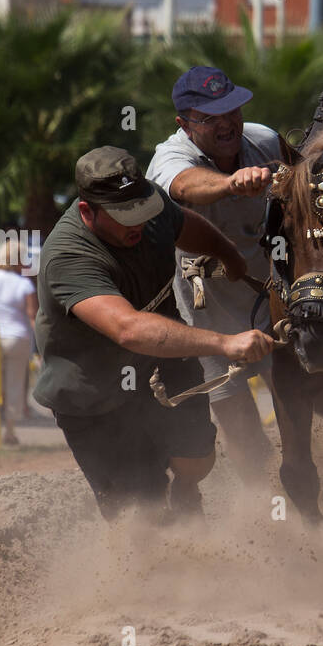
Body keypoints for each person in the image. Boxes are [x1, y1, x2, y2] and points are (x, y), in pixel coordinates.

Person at [34, 146, 273, 522]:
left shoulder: (147, 204)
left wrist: (228, 254)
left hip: (162, 363)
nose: (139, 224)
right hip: (94, 399)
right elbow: (128, 329)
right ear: (86, 212)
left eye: (143, 212)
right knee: (140, 512)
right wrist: (226, 343)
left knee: (198, 460)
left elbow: (181, 223)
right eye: (125, 218)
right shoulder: (68, 257)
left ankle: (184, 487)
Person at [146, 66, 280, 483]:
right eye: (210, 118)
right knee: (237, 418)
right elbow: (185, 187)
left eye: (232, 110)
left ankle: (316, 486)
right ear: (183, 124)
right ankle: (261, 505)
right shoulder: (169, 157)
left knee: (300, 400)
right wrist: (231, 183)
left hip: (272, 300)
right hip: (208, 313)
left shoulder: (264, 140)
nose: (227, 123)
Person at [0, 241, 36, 445]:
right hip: (17, 338)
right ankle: (9, 432)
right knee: (14, 385)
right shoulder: (24, 284)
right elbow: (33, 316)